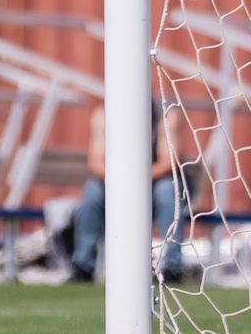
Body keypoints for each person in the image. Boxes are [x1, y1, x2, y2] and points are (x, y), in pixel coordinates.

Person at [70, 101, 184, 283]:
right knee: (92, 193)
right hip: (114, 184)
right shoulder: (103, 115)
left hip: (152, 184)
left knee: (167, 190)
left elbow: (168, 162)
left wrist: (137, 179)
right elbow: (96, 163)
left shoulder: (166, 115)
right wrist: (123, 181)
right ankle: (83, 266)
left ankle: (172, 267)